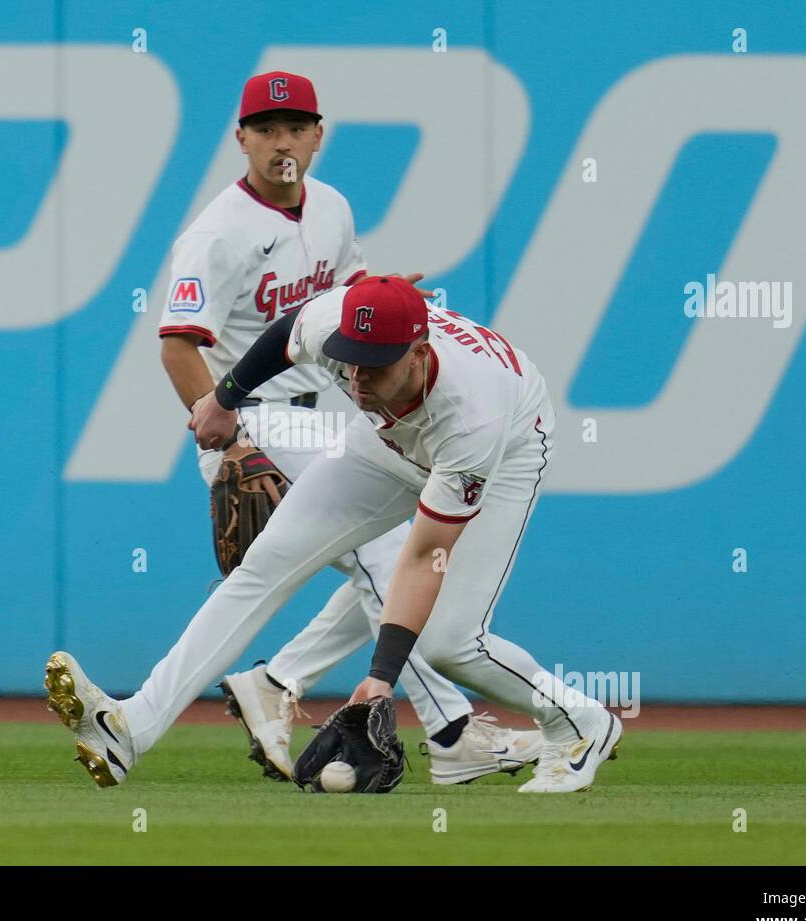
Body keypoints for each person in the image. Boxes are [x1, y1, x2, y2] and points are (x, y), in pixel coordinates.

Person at [47, 276, 621, 793]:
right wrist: (223, 398)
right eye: (350, 360)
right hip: (387, 437)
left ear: (419, 354)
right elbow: (283, 336)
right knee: (268, 560)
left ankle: (578, 721)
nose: (356, 376)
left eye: (374, 365)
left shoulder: (474, 418)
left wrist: (379, 679)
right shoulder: (336, 325)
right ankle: (131, 726)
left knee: (450, 644)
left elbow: (425, 555)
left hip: (509, 451)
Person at [156, 70, 539, 783]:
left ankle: (274, 681)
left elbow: (350, 299)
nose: (282, 141)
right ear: (240, 138)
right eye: (266, 129)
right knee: (393, 559)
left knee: (391, 567)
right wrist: (232, 434)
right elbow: (179, 341)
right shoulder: (217, 233)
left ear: (318, 135)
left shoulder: (330, 207)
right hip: (254, 422)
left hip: (321, 417)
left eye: (296, 126)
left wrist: (388, 299)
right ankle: (452, 728)